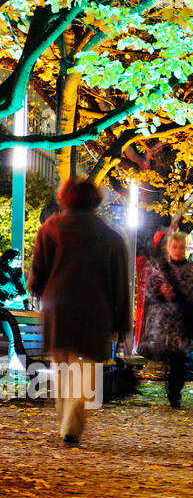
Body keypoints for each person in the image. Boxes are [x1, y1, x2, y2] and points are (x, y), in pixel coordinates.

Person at [27, 178, 132, 446]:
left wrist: (39, 290)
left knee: (62, 369)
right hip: (94, 312)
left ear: (65, 199)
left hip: (58, 310)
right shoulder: (112, 237)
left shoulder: (50, 229)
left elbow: (37, 273)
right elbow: (120, 284)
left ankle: (66, 421)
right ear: (95, 202)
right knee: (84, 371)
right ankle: (71, 425)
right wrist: (122, 324)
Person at [138, 232, 193, 409]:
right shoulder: (159, 268)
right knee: (167, 357)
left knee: (178, 360)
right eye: (175, 247)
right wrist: (160, 292)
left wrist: (190, 299)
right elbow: (147, 289)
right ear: (168, 248)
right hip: (163, 323)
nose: (178, 251)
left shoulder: (191, 270)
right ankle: (171, 388)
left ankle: (174, 393)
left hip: (181, 322)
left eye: (181, 247)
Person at [0, 248, 29, 367]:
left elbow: (25, 293)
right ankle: (13, 367)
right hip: (6, 310)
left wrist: (19, 298)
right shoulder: (1, 273)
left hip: (20, 310)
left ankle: (19, 365)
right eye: (16, 258)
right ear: (8, 260)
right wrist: (5, 300)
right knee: (13, 339)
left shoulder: (19, 274)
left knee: (21, 340)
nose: (19, 260)